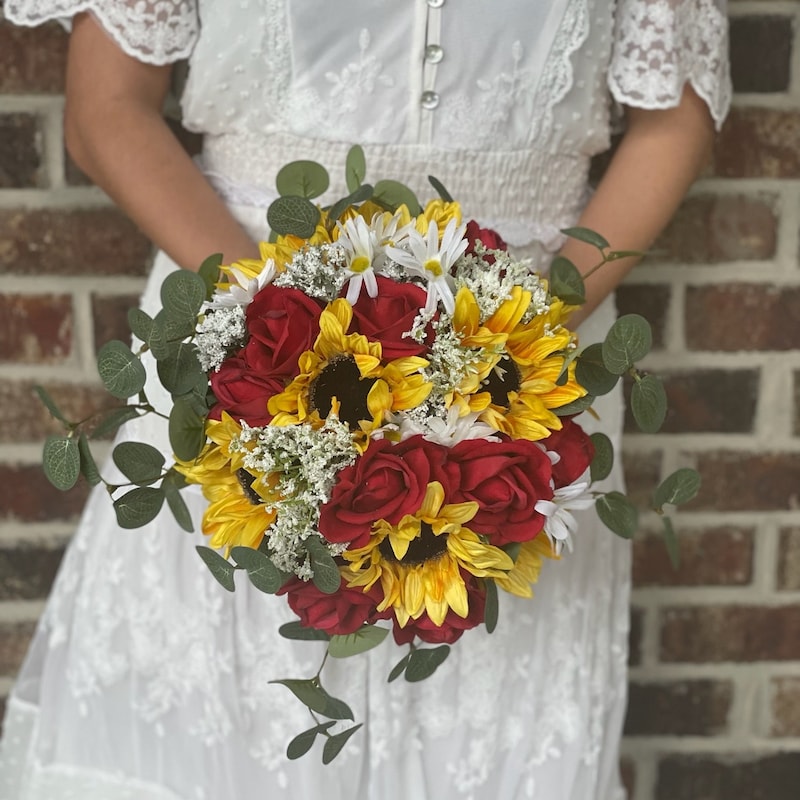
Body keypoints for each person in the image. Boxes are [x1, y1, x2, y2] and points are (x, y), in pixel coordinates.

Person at [0, 2, 730, 799]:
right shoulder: (262, 345)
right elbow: (107, 110)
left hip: (525, 371)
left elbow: (675, 122)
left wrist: (506, 354)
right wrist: (285, 344)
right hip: (246, 358)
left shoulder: (519, 358)